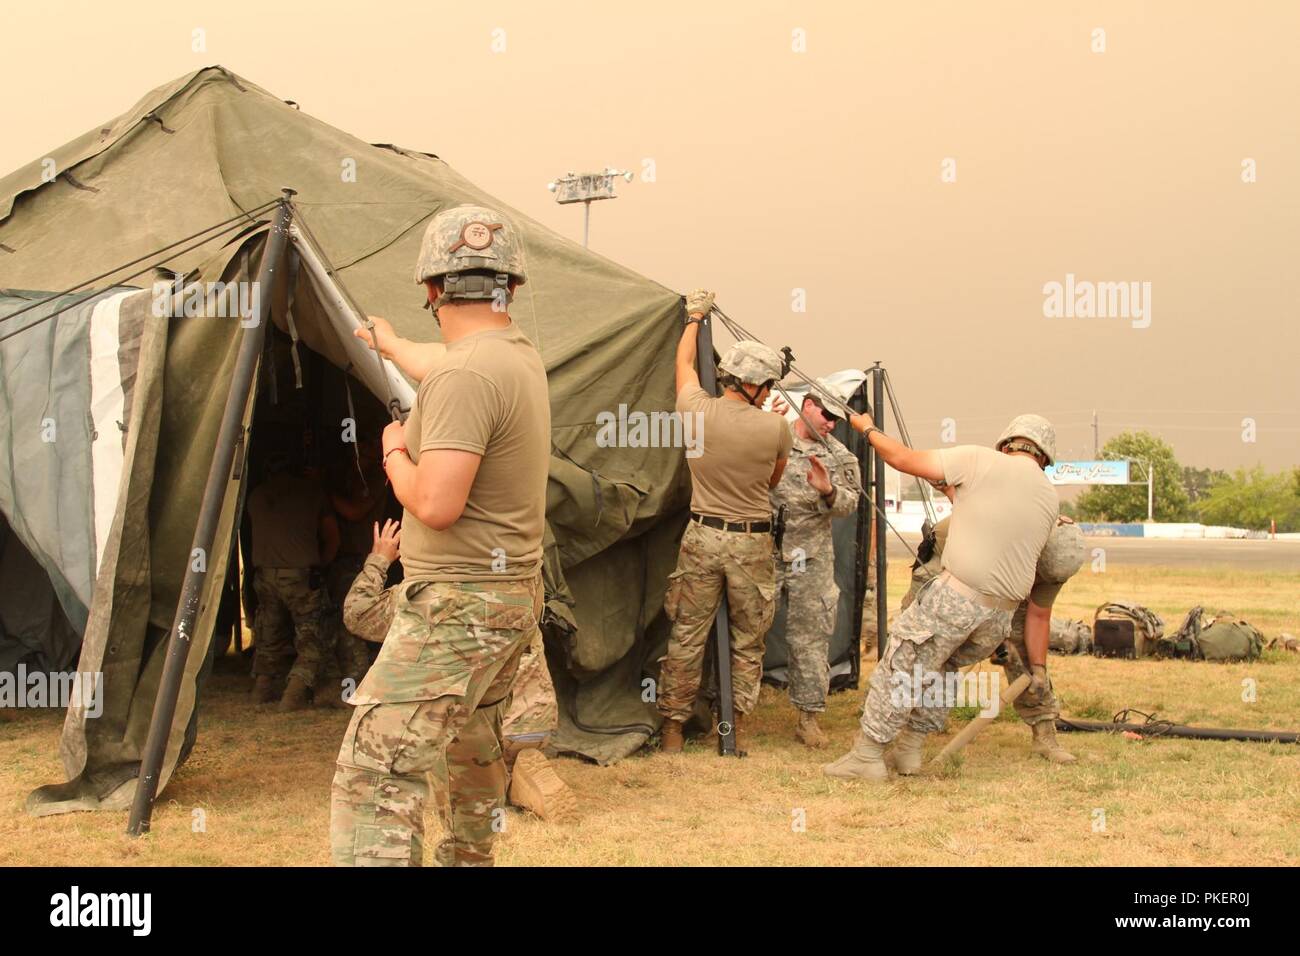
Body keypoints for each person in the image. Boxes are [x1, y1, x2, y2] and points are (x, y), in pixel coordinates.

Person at [329, 204, 550, 867]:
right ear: (508, 285)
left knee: (376, 774)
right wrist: (391, 346)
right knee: (471, 752)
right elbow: (446, 364)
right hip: (507, 600)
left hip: (457, 609)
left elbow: (435, 502)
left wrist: (395, 449)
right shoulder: (512, 356)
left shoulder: (464, 374)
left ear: (432, 288)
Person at [824, 414, 1059, 781]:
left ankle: (867, 756)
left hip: (958, 597)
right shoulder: (1049, 497)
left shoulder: (981, 460)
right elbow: (987, 514)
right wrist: (952, 489)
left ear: (1007, 443)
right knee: (943, 671)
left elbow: (902, 459)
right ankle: (909, 753)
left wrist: (867, 428)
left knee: (903, 665)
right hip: (998, 617)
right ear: (1044, 457)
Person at [341, 519, 577, 838]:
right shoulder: (524, 584)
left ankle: (495, 787)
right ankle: (520, 766)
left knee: (437, 743)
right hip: (536, 720)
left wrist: (380, 558)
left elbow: (358, 614)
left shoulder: (430, 594)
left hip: (478, 729)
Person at [657, 289, 792, 754]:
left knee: (686, 635)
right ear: (755, 386)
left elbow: (684, 366)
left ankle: (673, 729)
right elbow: (773, 480)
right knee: (747, 642)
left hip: (701, 536)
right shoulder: (776, 428)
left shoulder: (696, 410)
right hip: (750, 543)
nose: (771, 393)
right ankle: (730, 727)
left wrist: (694, 318)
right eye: (768, 385)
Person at [903, 485, 1085, 763]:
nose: (1042, 582)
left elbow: (1037, 616)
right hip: (948, 564)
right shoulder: (1005, 536)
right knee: (922, 647)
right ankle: (898, 730)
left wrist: (1037, 668)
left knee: (1023, 650)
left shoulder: (1058, 557)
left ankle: (1044, 734)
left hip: (1004, 578)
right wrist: (994, 637)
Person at [768, 380, 862, 748]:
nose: (831, 424)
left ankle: (808, 718)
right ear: (807, 405)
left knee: (810, 637)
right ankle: (731, 709)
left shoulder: (839, 457)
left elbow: (849, 504)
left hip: (812, 555)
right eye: (827, 415)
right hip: (766, 550)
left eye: (837, 419)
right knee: (746, 628)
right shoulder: (773, 437)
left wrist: (828, 491)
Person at [246, 451, 339, 710]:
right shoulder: (312, 492)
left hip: (264, 575)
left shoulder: (256, 495)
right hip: (300, 575)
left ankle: (262, 690)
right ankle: (293, 694)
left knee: (269, 634)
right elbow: (332, 537)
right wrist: (322, 565)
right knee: (313, 634)